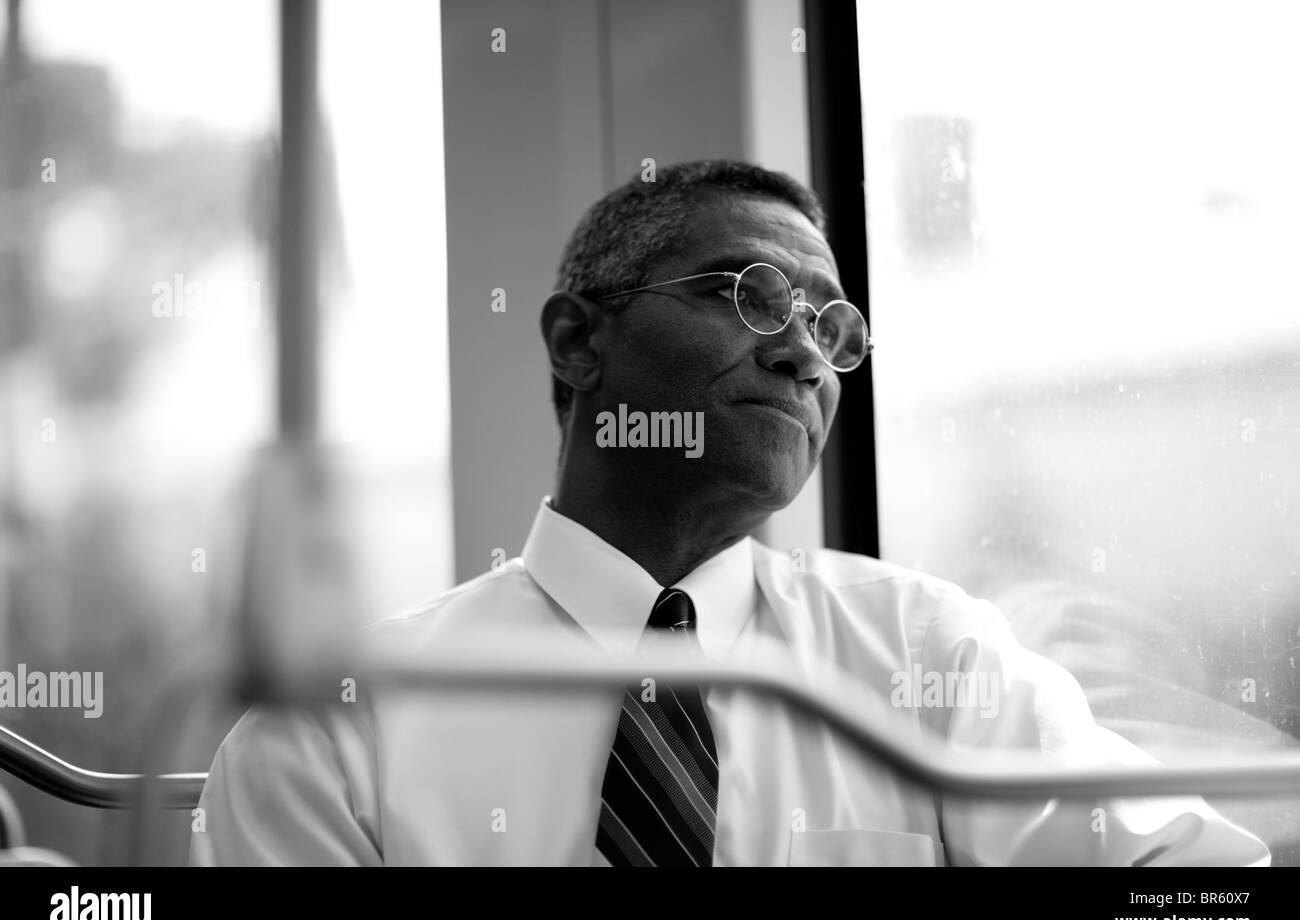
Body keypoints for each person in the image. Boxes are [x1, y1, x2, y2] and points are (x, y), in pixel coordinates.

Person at [191, 159, 1269, 866]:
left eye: (832, 326)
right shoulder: (336, 724)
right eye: (747, 292)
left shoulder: (926, 655)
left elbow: (1193, 882)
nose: (805, 351)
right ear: (578, 340)